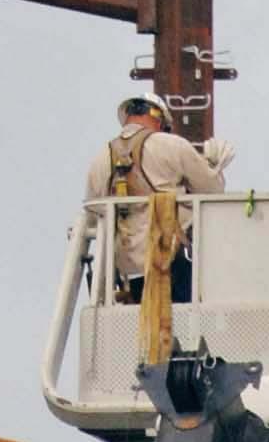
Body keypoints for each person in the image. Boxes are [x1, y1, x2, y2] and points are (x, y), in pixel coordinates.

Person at [84, 96, 231, 304]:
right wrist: (214, 164)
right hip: (172, 266)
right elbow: (212, 191)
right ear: (158, 119)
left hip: (127, 275)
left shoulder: (99, 161)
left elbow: (92, 217)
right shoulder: (172, 146)